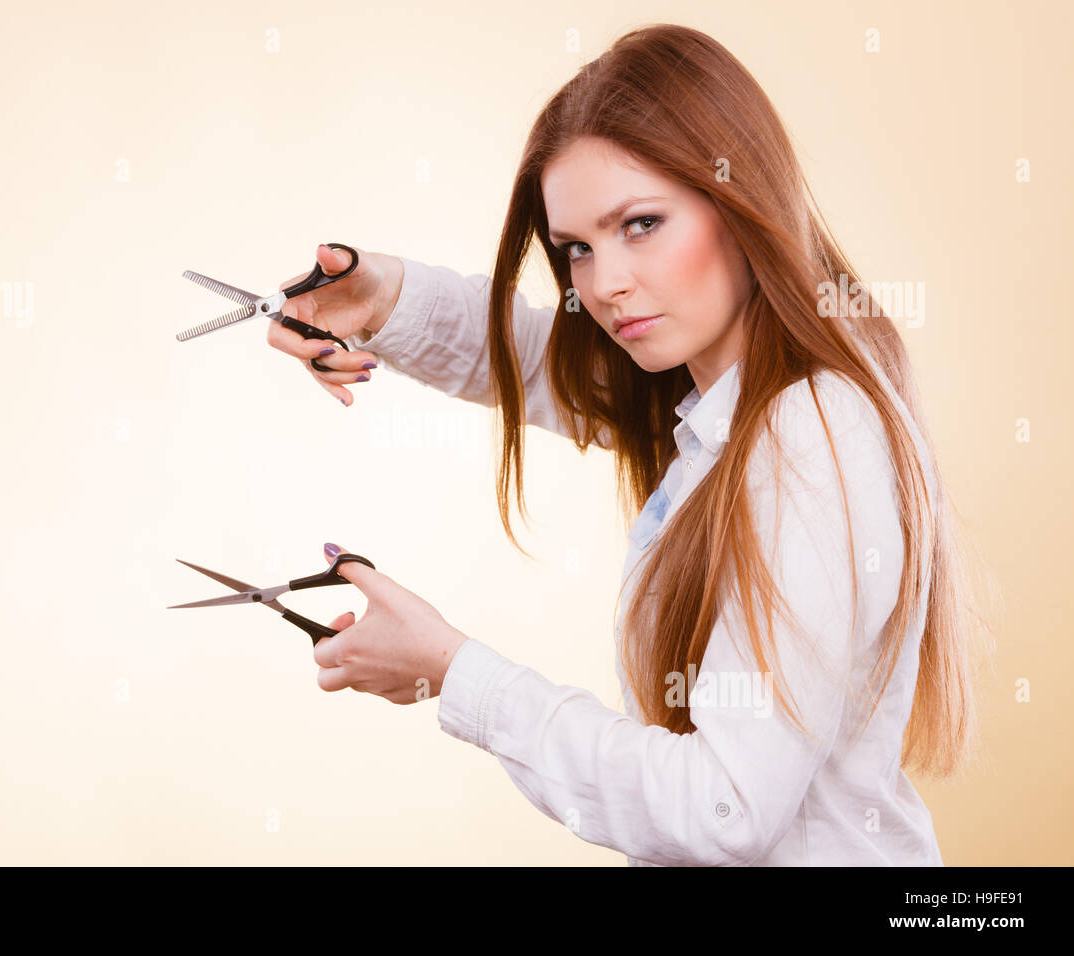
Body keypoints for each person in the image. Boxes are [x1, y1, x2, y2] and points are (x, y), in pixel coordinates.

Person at [263, 23, 991, 866]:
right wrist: (380, 298)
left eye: (642, 224)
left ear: (740, 202)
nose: (605, 285)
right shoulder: (728, 397)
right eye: (578, 247)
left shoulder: (808, 435)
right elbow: (541, 363)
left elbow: (722, 808)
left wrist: (457, 673)